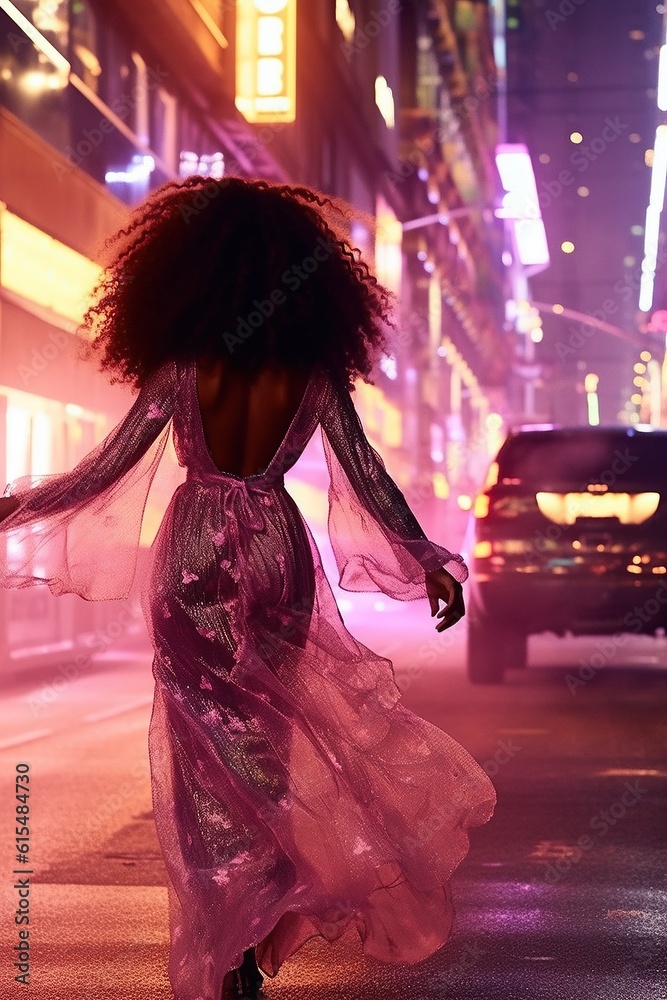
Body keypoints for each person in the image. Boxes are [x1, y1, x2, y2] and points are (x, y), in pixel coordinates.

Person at [0, 177, 495, 1000]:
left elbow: (105, 468)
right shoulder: (311, 375)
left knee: (203, 749)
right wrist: (427, 560)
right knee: (268, 745)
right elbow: (365, 476)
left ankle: (224, 932)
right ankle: (264, 911)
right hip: (276, 546)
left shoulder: (179, 370)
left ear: (186, 275)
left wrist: (15, 503)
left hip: (191, 547)